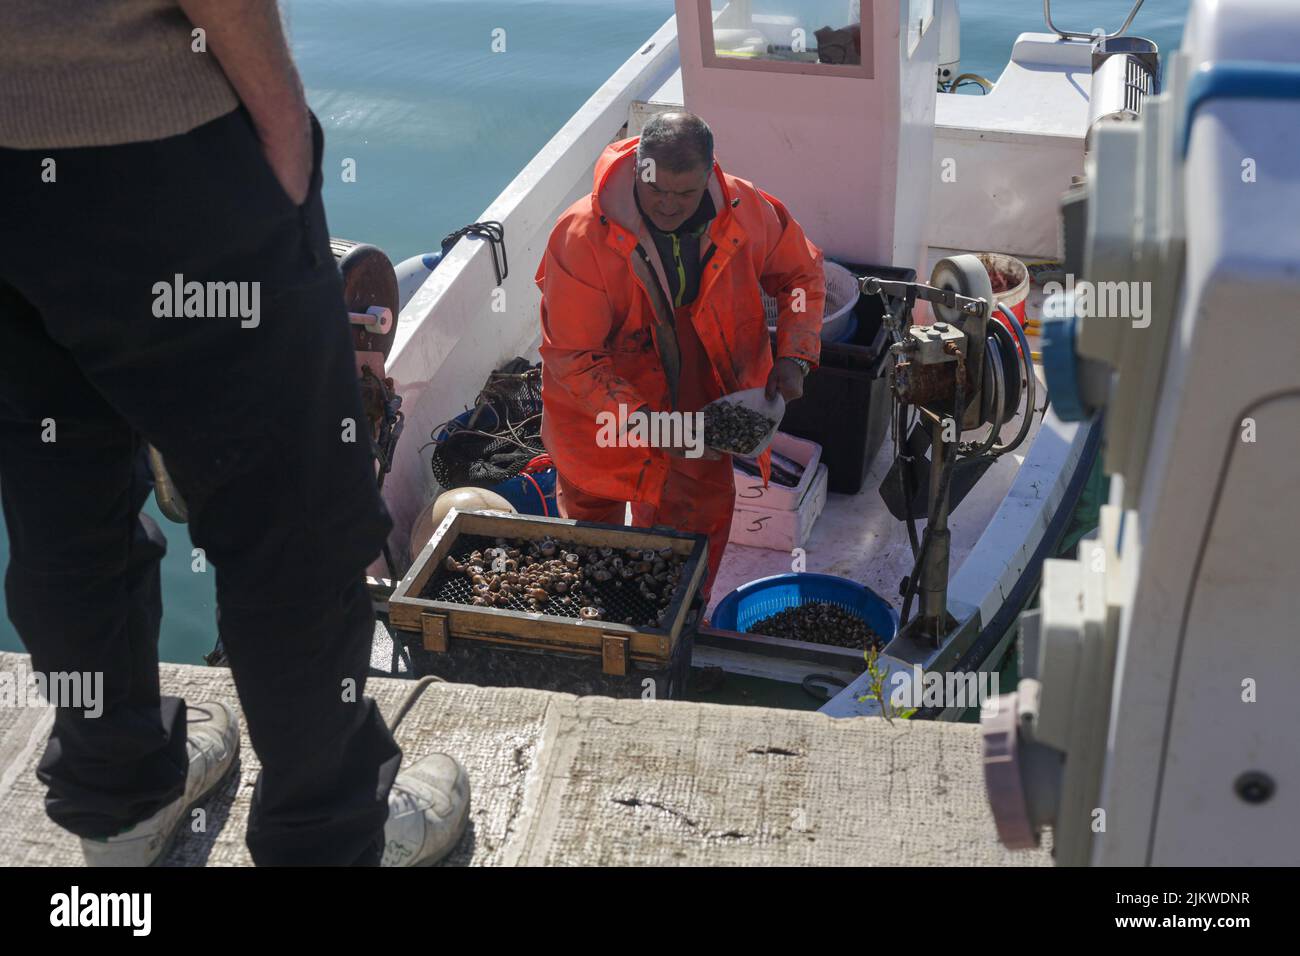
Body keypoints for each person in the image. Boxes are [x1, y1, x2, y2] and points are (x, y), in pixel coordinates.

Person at [0, 0, 468, 866]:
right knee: (292, 522)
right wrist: (288, 136)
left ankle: (119, 808)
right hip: (154, 151)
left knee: (60, 505)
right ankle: (326, 834)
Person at [536, 111, 825, 600]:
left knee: (692, 527)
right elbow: (575, 360)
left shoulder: (746, 207)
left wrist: (795, 353)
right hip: (595, 408)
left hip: (700, 388)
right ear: (639, 170)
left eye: (685, 194)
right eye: (656, 191)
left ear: (710, 175)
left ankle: (685, 618)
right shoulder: (579, 236)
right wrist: (650, 426)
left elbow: (800, 277)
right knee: (590, 533)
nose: (669, 206)